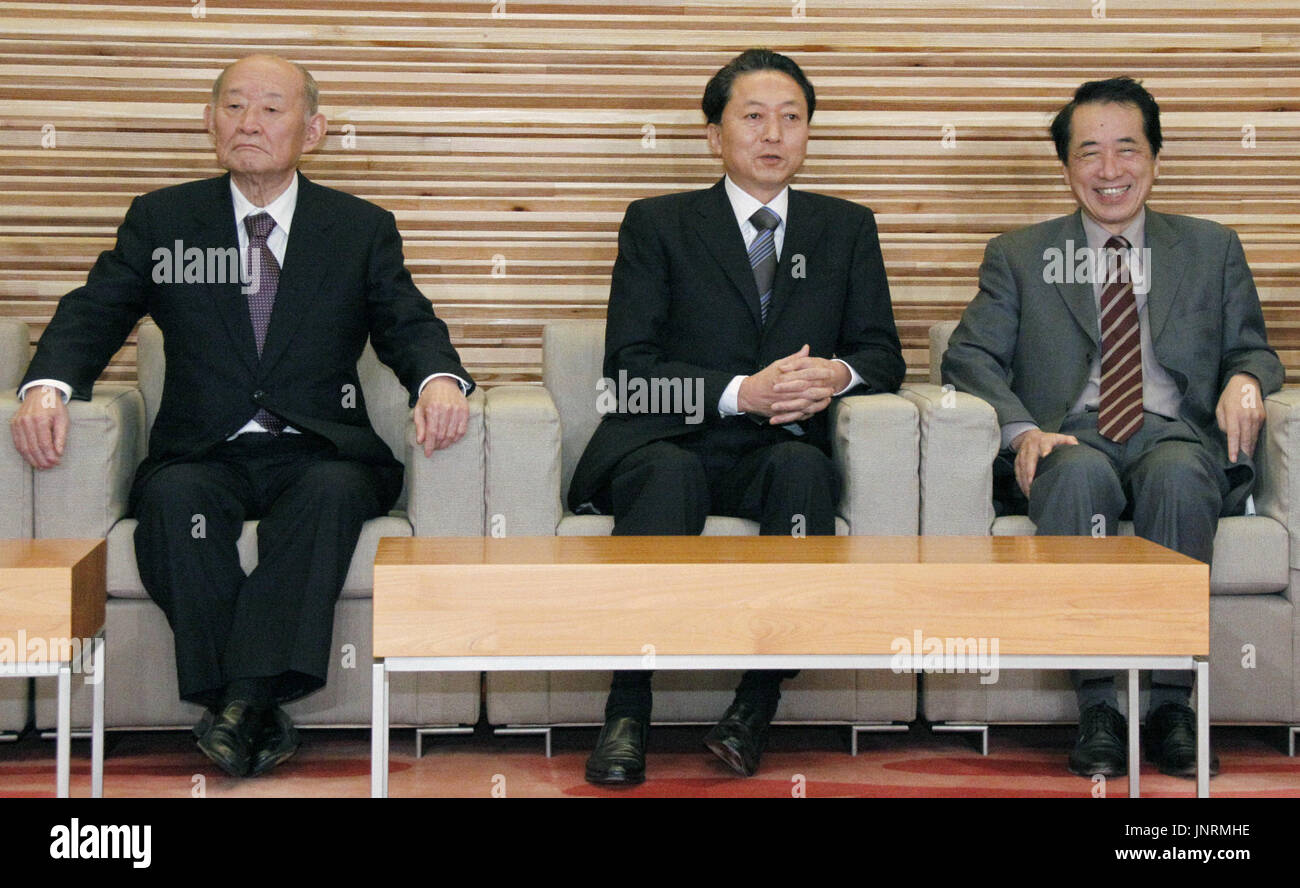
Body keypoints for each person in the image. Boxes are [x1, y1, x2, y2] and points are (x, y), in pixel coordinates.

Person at [8, 54, 473, 778]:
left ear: (312, 130)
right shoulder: (164, 218)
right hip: (204, 452)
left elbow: (406, 321)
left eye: (269, 108)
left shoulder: (357, 228)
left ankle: (236, 703)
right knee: (171, 503)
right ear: (208, 123)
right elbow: (95, 310)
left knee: (328, 496)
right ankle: (252, 704)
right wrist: (49, 385)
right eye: (231, 107)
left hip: (319, 451)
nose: (246, 122)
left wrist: (440, 380)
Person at [568, 48, 905, 785]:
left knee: (804, 471)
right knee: (665, 476)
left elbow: (883, 355)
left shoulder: (846, 228)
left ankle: (754, 707)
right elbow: (627, 371)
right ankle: (627, 710)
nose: (773, 133)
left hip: (776, 447)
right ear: (714, 135)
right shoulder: (658, 224)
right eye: (752, 117)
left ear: (809, 132)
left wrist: (836, 374)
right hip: (669, 435)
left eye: (791, 117)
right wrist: (737, 391)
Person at [942, 76, 1284, 779]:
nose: (1109, 170)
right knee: (1074, 475)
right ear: (1067, 169)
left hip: (1172, 433)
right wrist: (1020, 431)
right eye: (1089, 153)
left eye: (1126, 150)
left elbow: (1251, 349)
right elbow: (967, 356)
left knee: (1183, 478)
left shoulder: (1211, 248)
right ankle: (1099, 704)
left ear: (1155, 160)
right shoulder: (1019, 253)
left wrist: (1246, 380)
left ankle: (1170, 706)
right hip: (1073, 433)